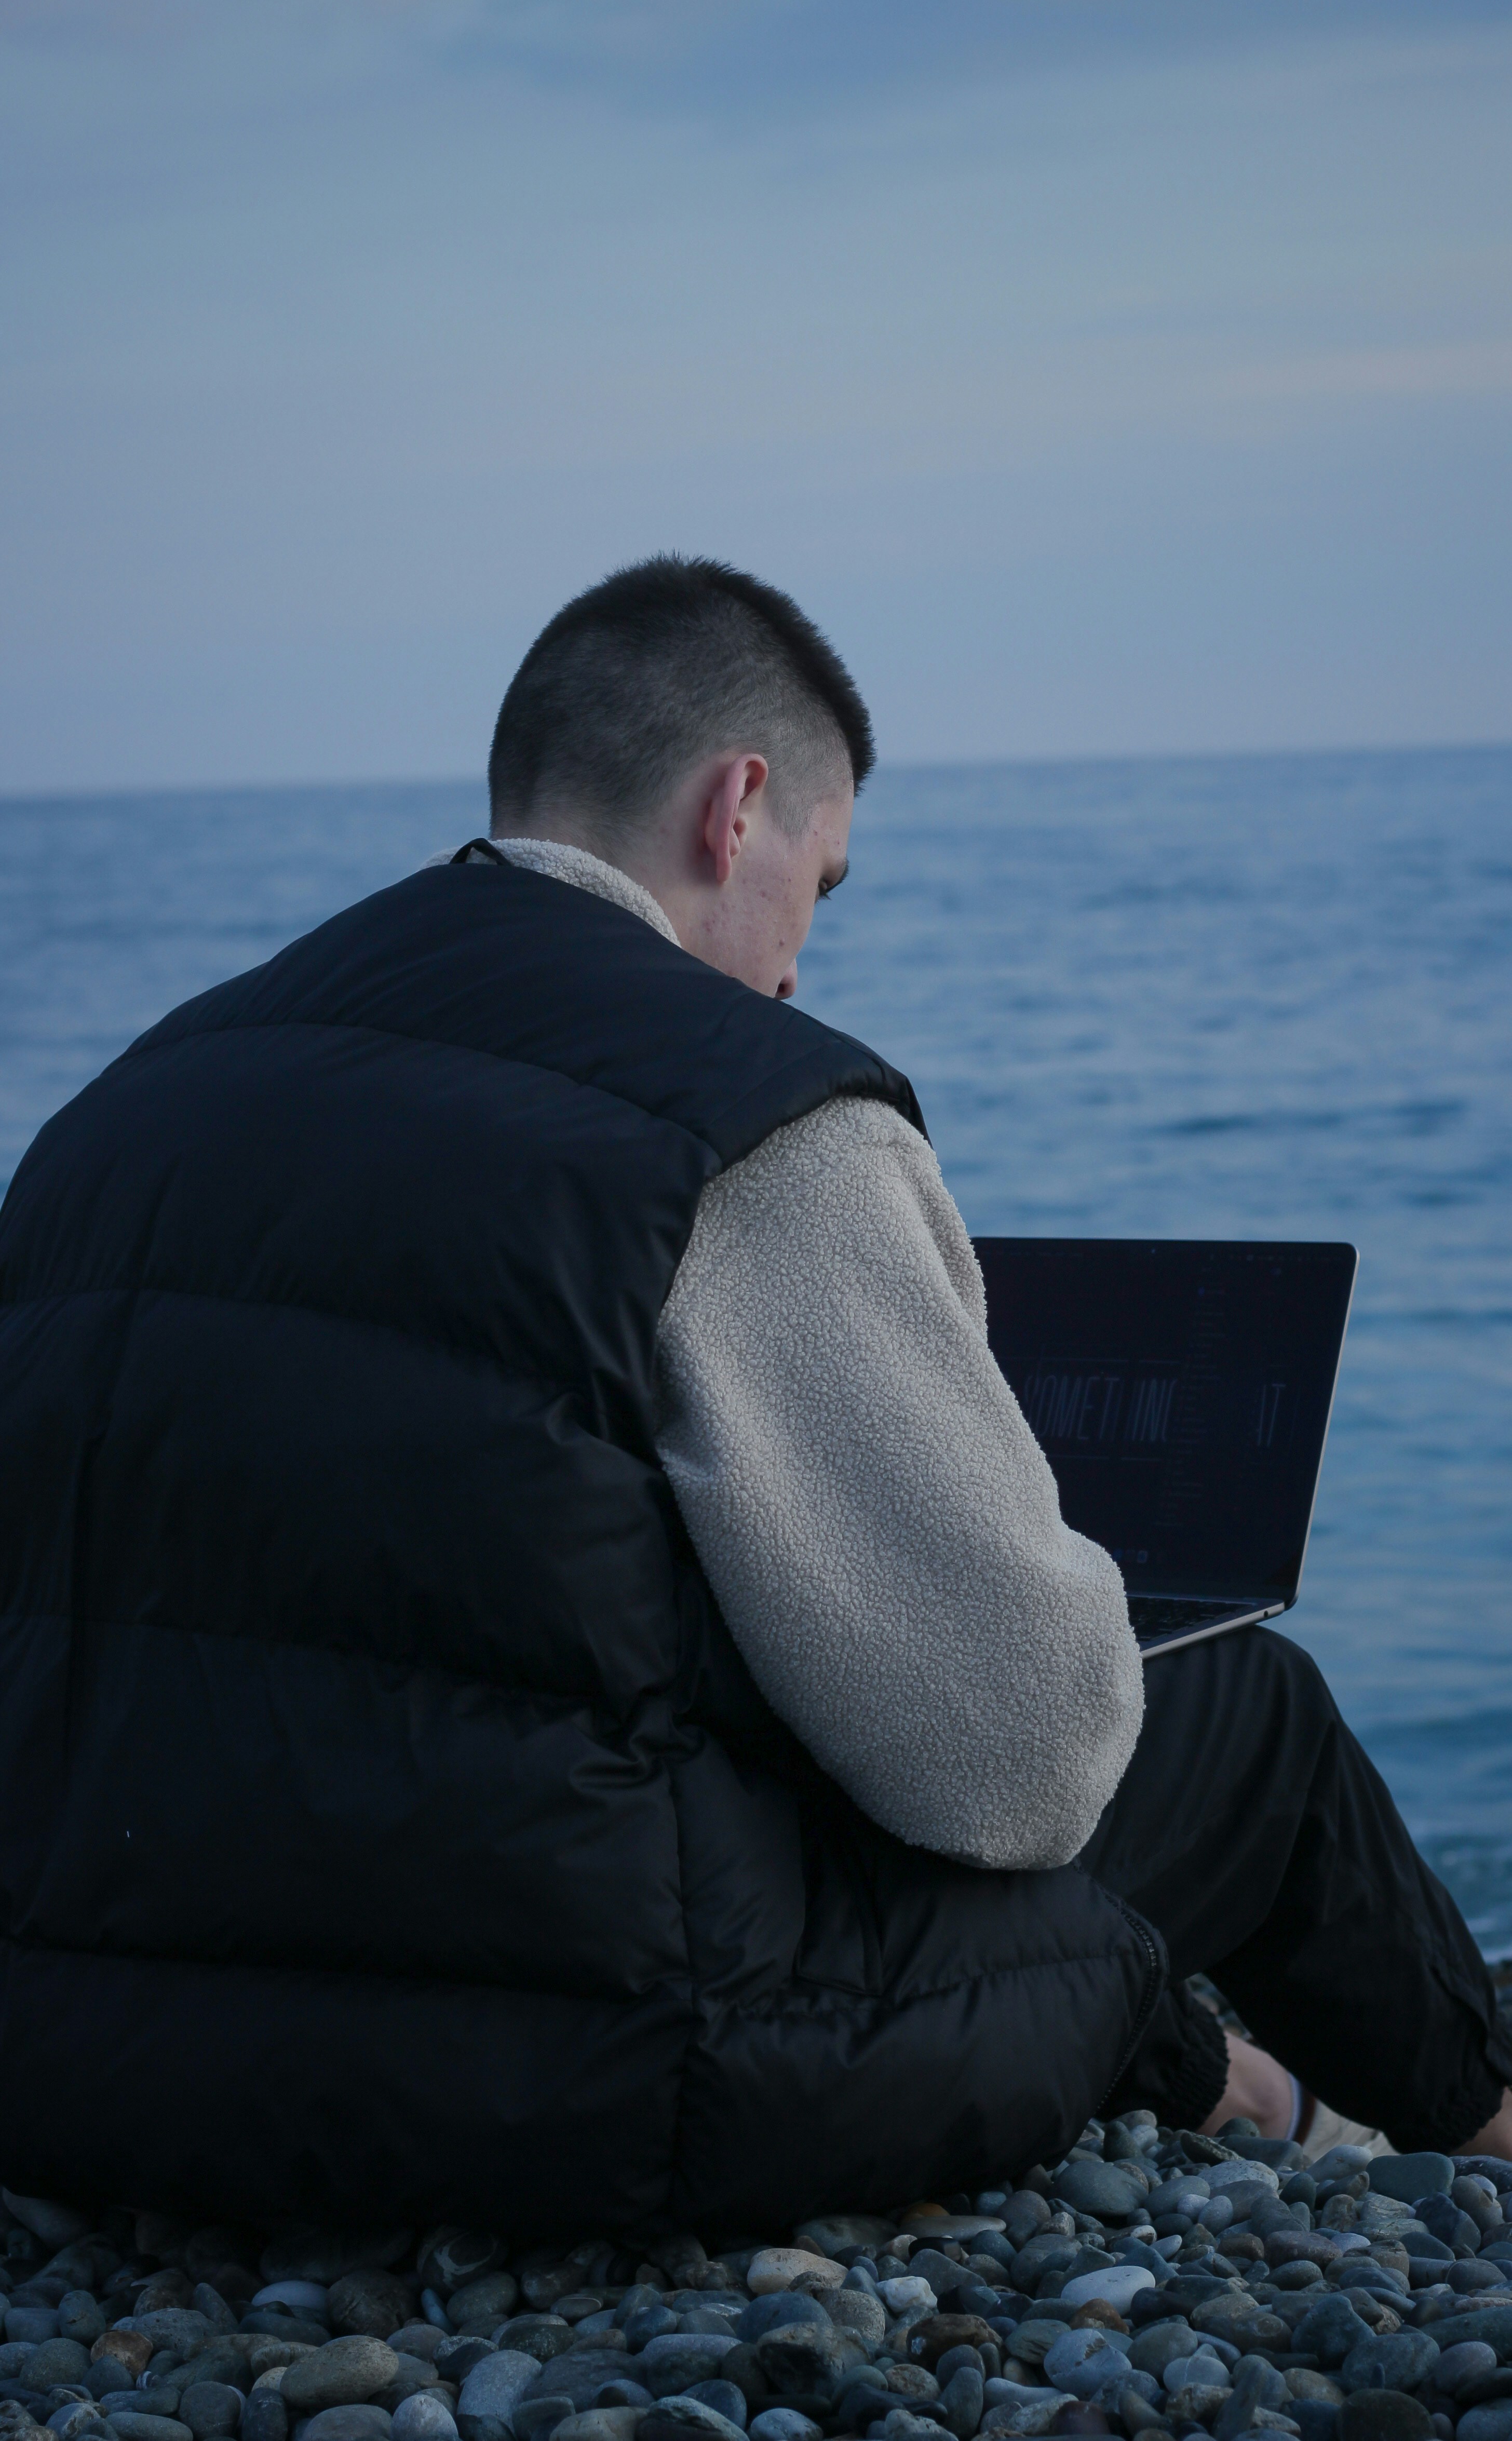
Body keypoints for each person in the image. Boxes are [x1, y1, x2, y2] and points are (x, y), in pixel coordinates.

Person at [0, 554, 1506, 2239]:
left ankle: (1225, 2084)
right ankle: (1486, 2137)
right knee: (1245, 1720)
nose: (797, 967)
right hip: (590, 2084)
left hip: (82, 2062)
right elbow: (1021, 1764)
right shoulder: (754, 1121)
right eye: (826, 880)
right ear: (740, 809)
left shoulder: (117, 1116)